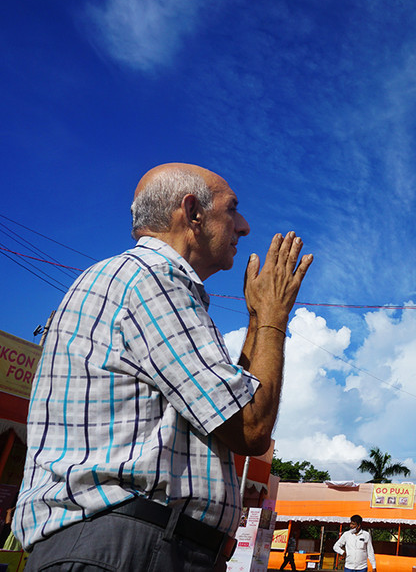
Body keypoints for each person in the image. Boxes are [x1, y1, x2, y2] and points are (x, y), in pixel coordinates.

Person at [13, 163, 313, 572]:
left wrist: (258, 317)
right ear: (192, 213)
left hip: (129, 542)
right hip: (129, 545)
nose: (244, 226)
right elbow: (251, 425)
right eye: (232, 209)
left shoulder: (139, 281)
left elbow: (228, 407)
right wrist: (275, 318)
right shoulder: (152, 280)